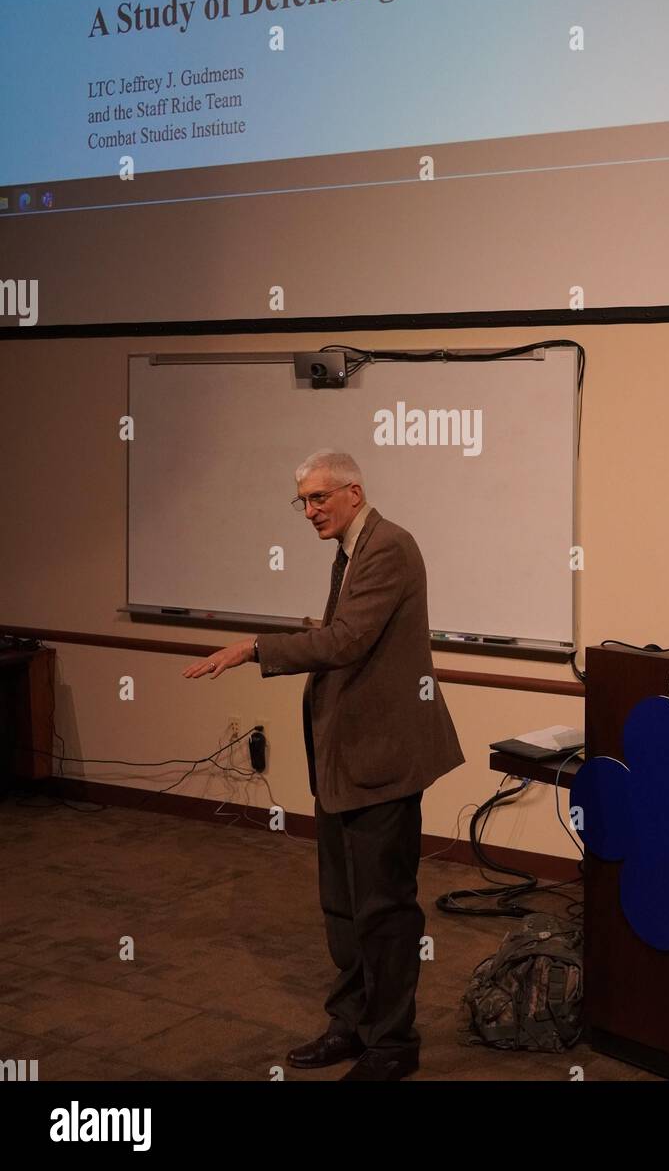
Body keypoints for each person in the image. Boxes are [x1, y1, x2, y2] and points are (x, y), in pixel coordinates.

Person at [183, 450, 464, 1080]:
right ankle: (352, 1023)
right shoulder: (351, 549)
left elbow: (348, 641)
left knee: (384, 908)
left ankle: (392, 1043)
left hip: (382, 759)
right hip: (343, 758)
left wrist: (252, 649)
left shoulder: (389, 546)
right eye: (302, 501)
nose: (308, 512)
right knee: (340, 901)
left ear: (353, 492)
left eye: (318, 499)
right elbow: (349, 634)